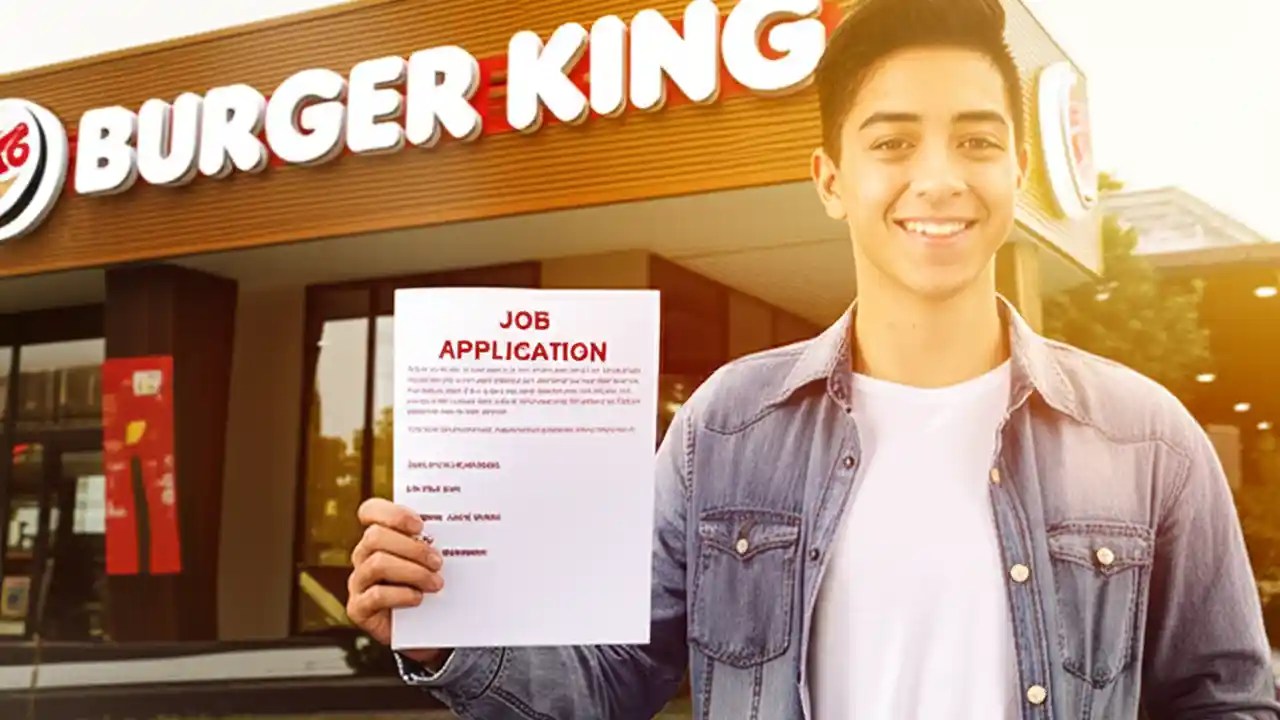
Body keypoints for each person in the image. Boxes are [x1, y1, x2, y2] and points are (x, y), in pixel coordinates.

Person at [345, 0, 1280, 716]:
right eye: (894, 142)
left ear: (1017, 173)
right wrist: (443, 637)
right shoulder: (728, 425)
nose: (940, 177)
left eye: (977, 141)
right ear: (832, 180)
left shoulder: (1146, 438)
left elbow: (1225, 699)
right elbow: (615, 675)